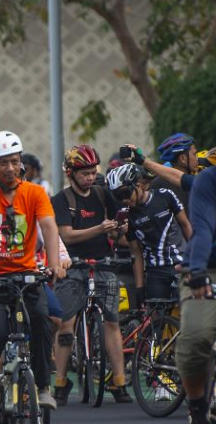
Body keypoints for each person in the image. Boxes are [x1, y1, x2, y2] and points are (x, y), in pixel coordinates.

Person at [0, 130, 63, 420]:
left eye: (15, 162)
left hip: (26, 275)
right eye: (3, 163)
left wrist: (54, 263)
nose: (10, 168)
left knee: (43, 322)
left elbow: (49, 227)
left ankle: (43, 387)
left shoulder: (35, 193)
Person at [50, 145, 132, 405]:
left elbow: (119, 225)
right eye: (84, 172)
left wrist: (120, 227)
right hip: (72, 267)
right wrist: (100, 228)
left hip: (104, 264)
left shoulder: (102, 193)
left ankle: (119, 383)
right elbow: (66, 235)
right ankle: (61, 383)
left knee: (112, 322)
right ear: (70, 173)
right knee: (66, 324)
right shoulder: (62, 200)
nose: (89, 177)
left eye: (92, 172)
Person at [177, 121, 216, 424]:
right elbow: (203, 228)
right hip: (210, 267)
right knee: (196, 338)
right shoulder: (209, 181)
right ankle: (197, 404)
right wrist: (197, 272)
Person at [106, 164, 192, 304]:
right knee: (155, 319)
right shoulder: (128, 215)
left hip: (180, 263)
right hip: (155, 272)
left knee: (187, 314)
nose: (124, 200)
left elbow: (186, 226)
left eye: (126, 193)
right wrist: (140, 287)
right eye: (118, 196)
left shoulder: (165, 196)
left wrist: (195, 259)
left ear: (139, 185)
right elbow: (136, 252)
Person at [152, 133, 198, 209]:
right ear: (183, 158)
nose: (197, 158)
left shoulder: (156, 183)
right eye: (194, 154)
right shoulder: (158, 185)